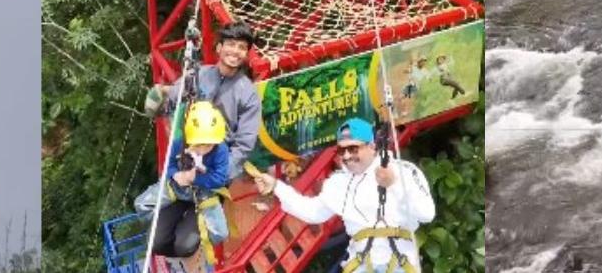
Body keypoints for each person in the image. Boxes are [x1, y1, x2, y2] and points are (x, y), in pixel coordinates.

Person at [251, 118, 435, 273]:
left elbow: (427, 213)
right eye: (341, 150)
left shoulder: (403, 171)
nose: (346, 156)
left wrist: (395, 184)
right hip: (361, 264)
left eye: (353, 149)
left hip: (400, 263)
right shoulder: (338, 183)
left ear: (371, 146)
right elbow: (313, 212)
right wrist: (277, 186)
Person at [144, 22, 262, 180]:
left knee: (206, 203)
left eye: (242, 47)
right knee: (147, 204)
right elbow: (172, 100)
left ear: (246, 54)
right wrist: (159, 96)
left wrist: (219, 173)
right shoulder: (199, 74)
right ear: (219, 48)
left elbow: (244, 144)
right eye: (231, 44)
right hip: (185, 158)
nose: (235, 51)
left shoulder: (248, 93)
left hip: (216, 164)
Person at [136, 101, 231, 264]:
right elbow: (169, 167)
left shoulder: (220, 149)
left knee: (185, 245)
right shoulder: (179, 143)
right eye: (201, 144)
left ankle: (188, 251)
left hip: (204, 194)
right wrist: (176, 175)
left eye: (209, 144)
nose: (205, 148)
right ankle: (181, 253)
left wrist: (195, 178)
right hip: (179, 192)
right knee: (156, 242)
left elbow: (219, 178)